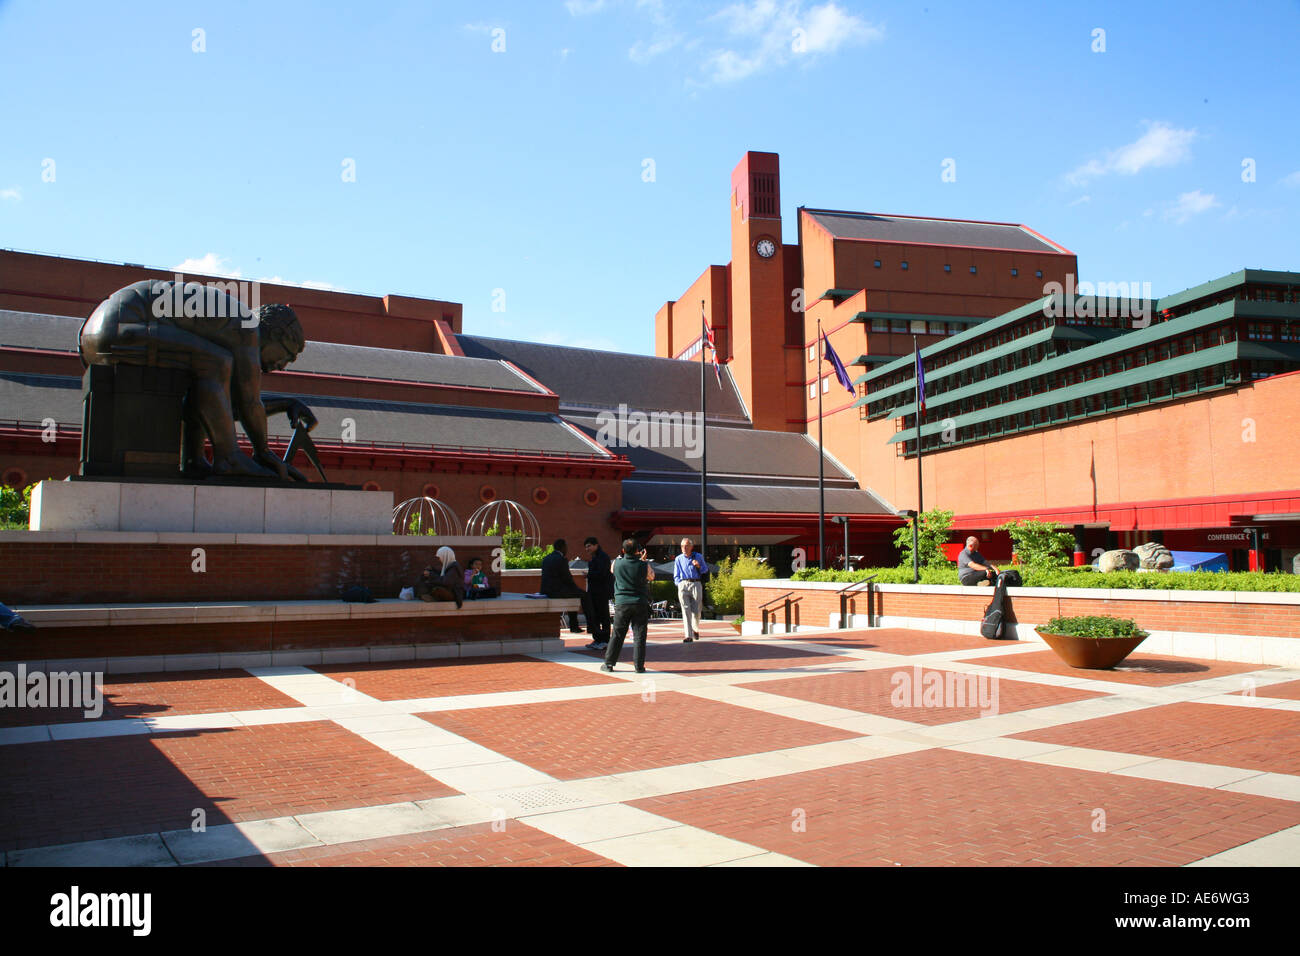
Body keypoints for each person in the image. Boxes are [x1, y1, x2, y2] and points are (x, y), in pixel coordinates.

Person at [79, 279, 318, 480]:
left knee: (207, 369)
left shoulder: (230, 326)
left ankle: (194, 460)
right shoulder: (247, 329)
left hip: (98, 334)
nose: (282, 366)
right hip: (120, 328)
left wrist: (284, 404)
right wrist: (264, 452)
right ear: (275, 334)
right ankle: (229, 459)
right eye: (287, 356)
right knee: (214, 362)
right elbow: (248, 403)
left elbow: (221, 407)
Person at [602, 539, 653, 674]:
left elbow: (612, 570)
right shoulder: (643, 565)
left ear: (623, 551)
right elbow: (651, 577)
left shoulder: (616, 563)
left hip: (622, 603)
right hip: (639, 603)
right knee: (640, 636)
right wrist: (643, 560)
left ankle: (609, 663)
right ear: (637, 550)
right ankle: (639, 666)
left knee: (618, 635)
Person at [540, 539, 594, 634]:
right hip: (557, 591)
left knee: (573, 594)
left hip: (546, 590)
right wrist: (576, 589)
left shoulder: (547, 558)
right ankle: (591, 626)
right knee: (585, 596)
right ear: (562, 547)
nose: (567, 549)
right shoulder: (561, 559)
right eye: (566, 547)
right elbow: (567, 578)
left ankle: (574, 626)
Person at [673, 537, 707, 643]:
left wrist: (698, 566)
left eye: (686, 546)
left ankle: (695, 629)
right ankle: (688, 635)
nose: (684, 548)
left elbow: (705, 570)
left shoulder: (698, 556)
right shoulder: (678, 559)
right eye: (682, 546)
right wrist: (679, 584)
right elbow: (676, 574)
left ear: (691, 547)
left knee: (696, 610)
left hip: (696, 583)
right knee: (685, 610)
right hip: (683, 584)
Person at [582, 536, 613, 650]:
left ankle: (605, 640)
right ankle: (597, 639)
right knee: (594, 616)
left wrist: (588, 575)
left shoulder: (603, 557)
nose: (587, 549)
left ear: (596, 545)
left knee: (603, 616)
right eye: (586, 547)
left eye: (589, 546)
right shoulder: (595, 557)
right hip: (594, 592)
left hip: (602, 592)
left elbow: (602, 574)